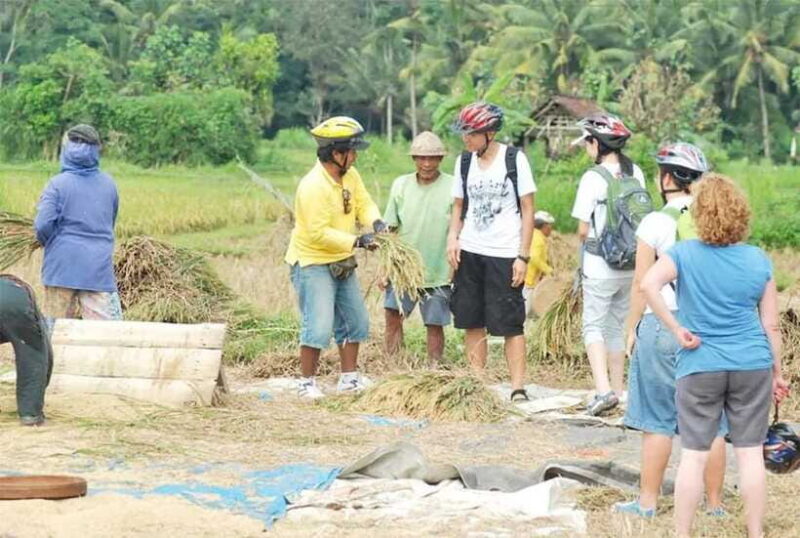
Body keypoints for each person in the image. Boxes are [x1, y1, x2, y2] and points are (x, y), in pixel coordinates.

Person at [641, 174, 790, 538]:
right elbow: (771, 326)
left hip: (700, 363)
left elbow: (647, 284)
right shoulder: (758, 259)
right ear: (740, 214)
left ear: (699, 214)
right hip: (752, 364)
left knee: (693, 454)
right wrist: (778, 373)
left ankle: (683, 533)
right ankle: (755, 532)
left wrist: (677, 330)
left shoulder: (683, 253)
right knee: (751, 454)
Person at [616, 143, 726, 518]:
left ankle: (647, 503)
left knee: (658, 421)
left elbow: (640, 282)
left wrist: (631, 328)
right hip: (709, 328)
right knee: (710, 423)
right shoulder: (717, 220)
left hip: (663, 325)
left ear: (666, 178)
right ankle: (714, 506)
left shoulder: (655, 223)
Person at [285, 116, 386, 399]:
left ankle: (349, 378)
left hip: (342, 259)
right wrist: (358, 241)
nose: (355, 156)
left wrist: (376, 222)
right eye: (351, 151)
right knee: (317, 324)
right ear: (335, 153)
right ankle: (306, 383)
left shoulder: (350, 176)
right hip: (313, 262)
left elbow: (363, 203)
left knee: (356, 321)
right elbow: (317, 234)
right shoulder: (312, 186)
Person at [446, 102, 536, 402]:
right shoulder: (464, 162)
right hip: (470, 250)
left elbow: (528, 209)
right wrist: (452, 239)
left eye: (472, 133)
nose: (466, 139)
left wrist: (523, 256)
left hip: (504, 251)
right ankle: (477, 384)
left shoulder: (514, 159)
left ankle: (517, 386)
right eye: (464, 133)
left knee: (510, 322)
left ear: (490, 133)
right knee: (471, 319)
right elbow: (458, 205)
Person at [570, 114, 646, 416]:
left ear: (596, 143)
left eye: (588, 141)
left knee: (593, 326)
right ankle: (618, 390)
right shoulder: (635, 172)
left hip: (601, 266)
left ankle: (603, 391)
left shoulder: (593, 177)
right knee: (616, 327)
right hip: (631, 265)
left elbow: (581, 230)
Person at [34, 124, 122, 321]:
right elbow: (110, 222)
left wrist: (52, 243)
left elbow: (42, 225)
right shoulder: (109, 185)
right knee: (104, 333)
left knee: (55, 330)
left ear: (66, 151)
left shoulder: (57, 184)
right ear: (96, 151)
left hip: (61, 266)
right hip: (97, 269)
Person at [382, 131, 453, 364]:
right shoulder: (400, 185)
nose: (427, 164)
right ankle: (393, 363)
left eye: (432, 158)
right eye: (421, 158)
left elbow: (459, 228)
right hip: (403, 269)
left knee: (434, 323)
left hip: (438, 270)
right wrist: (385, 269)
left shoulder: (453, 186)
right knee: (393, 315)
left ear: (440, 160)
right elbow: (390, 230)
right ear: (414, 159)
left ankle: (434, 366)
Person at [0, 275, 52, 426]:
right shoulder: (18, 294)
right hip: (13, 301)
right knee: (31, 353)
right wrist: (40, 387)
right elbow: (43, 356)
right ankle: (30, 415)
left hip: (10, 298)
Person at [523, 210, 555, 316]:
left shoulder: (534, 236)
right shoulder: (538, 239)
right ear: (544, 226)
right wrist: (548, 270)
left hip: (530, 280)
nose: (551, 229)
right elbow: (534, 257)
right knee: (524, 313)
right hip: (528, 280)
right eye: (550, 226)